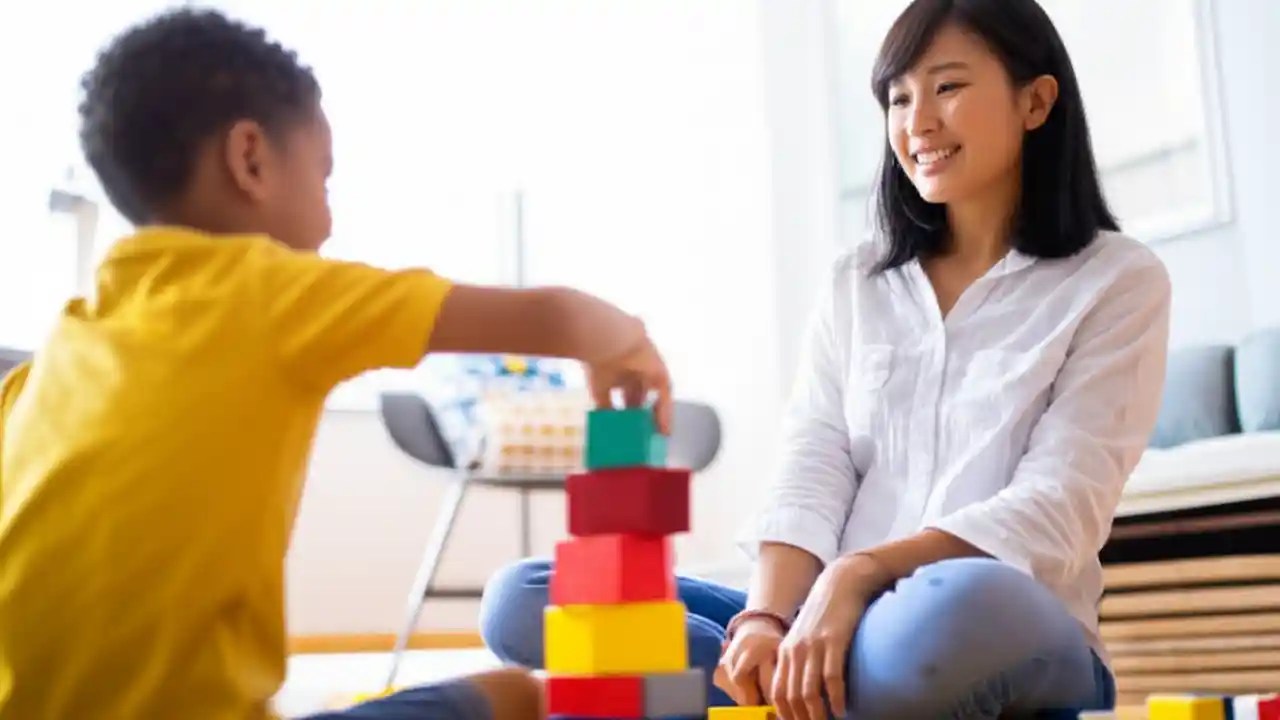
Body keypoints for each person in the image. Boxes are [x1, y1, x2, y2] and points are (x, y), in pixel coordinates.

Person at [479, 0, 1171, 717]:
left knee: (954, 613)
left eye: (948, 87)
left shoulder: (1117, 280)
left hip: (993, 618)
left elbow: (1056, 508)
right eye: (898, 97)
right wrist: (765, 619)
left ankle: (798, 680)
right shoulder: (857, 281)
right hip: (831, 618)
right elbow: (815, 458)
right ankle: (790, 676)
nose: (917, 122)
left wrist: (857, 575)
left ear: (1036, 100)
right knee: (524, 598)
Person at [0, 8, 675, 720]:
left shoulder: (61, 354)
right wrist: (628, 342)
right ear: (251, 159)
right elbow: (557, 318)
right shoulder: (266, 292)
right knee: (522, 695)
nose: (329, 221)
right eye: (324, 179)